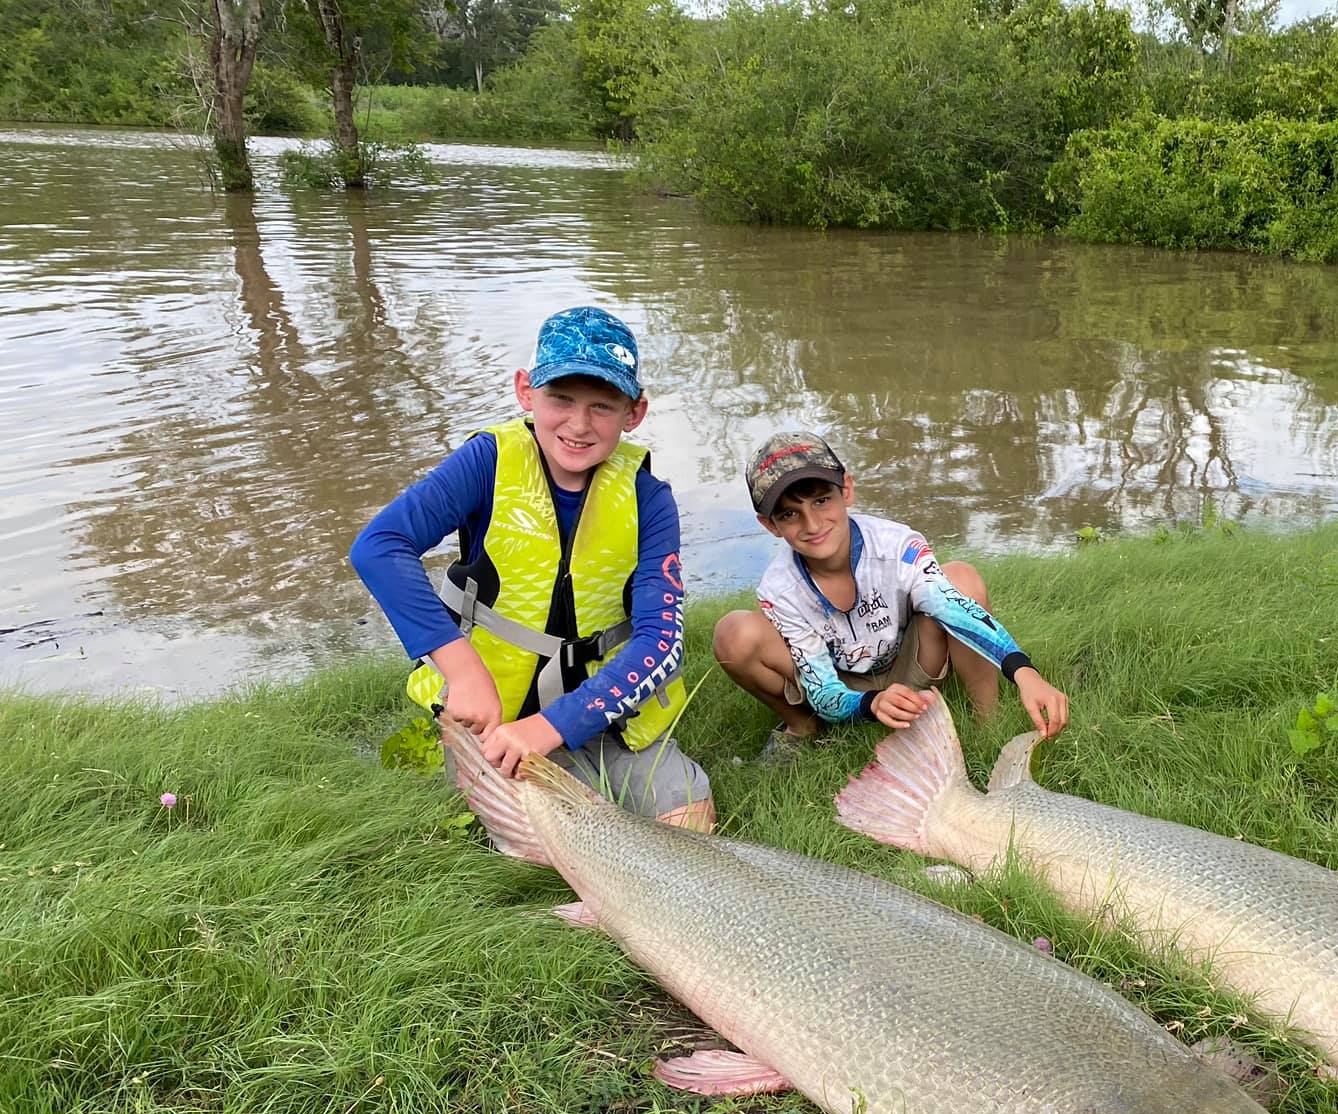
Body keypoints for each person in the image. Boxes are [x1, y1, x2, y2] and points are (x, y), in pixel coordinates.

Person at [351, 306, 713, 829]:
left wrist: (551, 727)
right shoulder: (485, 463)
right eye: (560, 399)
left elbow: (660, 641)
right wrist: (463, 671)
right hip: (495, 715)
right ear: (526, 391)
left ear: (634, 412)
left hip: (600, 714)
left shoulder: (649, 499)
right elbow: (379, 546)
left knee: (692, 821)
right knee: (546, 840)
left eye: (602, 406)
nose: (579, 424)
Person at [712, 432, 1069, 762]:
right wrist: (869, 704)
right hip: (845, 687)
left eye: (822, 501)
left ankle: (986, 724)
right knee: (734, 633)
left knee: (961, 578)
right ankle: (803, 728)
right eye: (790, 514)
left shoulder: (898, 544)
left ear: (846, 490)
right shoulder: (779, 589)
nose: (812, 524)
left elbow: (953, 608)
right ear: (769, 525)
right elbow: (822, 690)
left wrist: (1024, 671)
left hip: (911, 664)